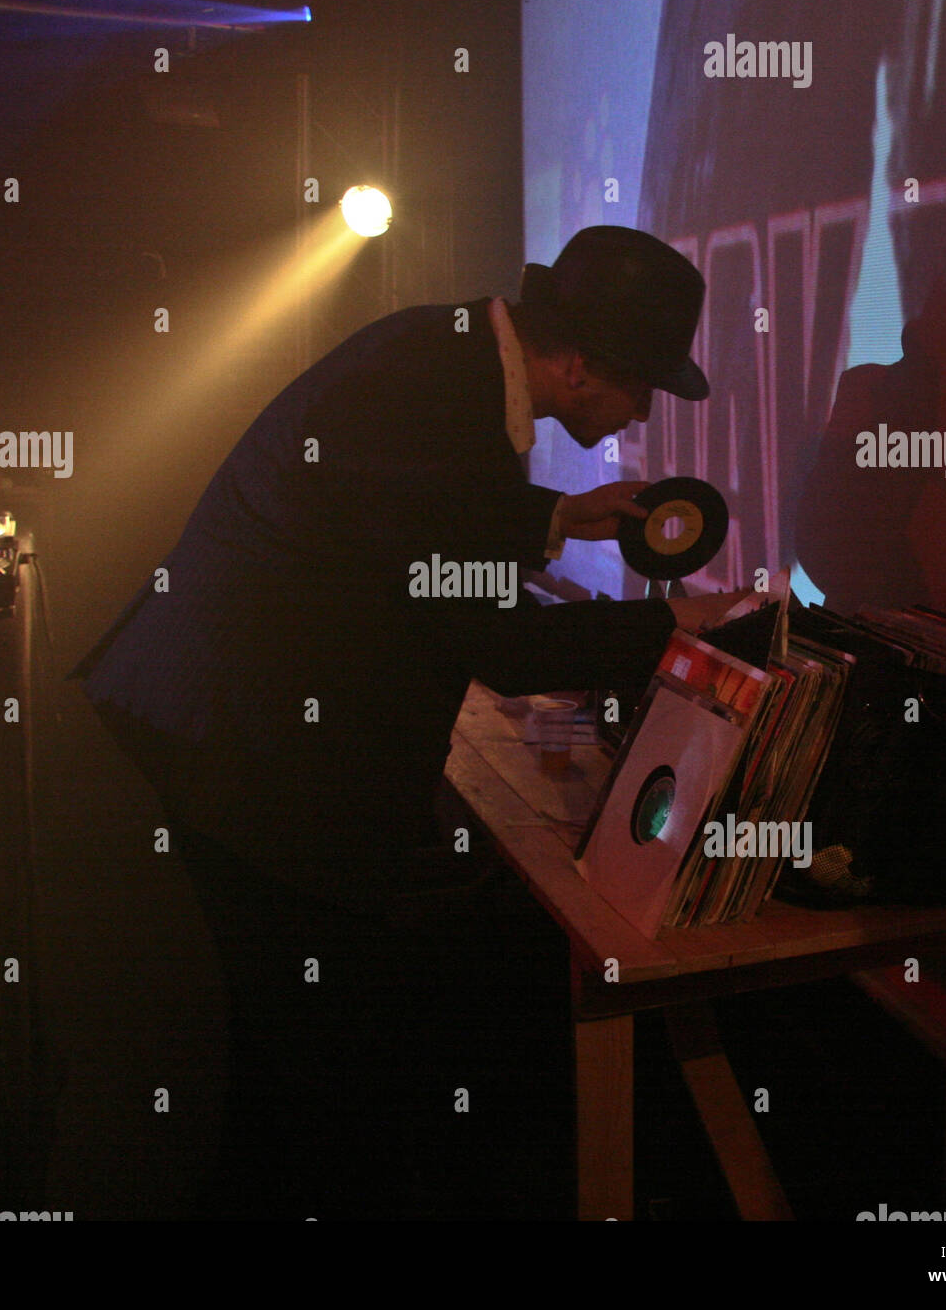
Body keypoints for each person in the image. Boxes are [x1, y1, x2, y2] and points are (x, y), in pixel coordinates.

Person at [72, 225, 745, 1218]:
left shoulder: (445, 351)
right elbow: (503, 645)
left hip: (222, 723)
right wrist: (672, 625)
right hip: (245, 746)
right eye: (642, 385)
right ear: (578, 365)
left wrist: (555, 517)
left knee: (286, 1057)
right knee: (329, 1071)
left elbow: (403, 515)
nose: (642, 410)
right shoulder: (442, 402)